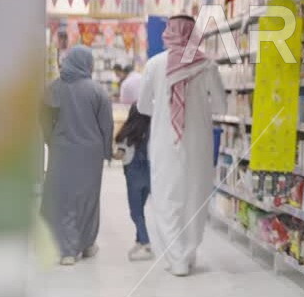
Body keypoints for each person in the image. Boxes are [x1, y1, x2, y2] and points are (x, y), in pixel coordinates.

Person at [137, 16, 226, 276]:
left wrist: (166, 109)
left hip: (165, 142)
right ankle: (188, 254)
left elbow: (143, 106)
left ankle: (176, 258)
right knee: (195, 196)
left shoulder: (154, 65)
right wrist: (198, 106)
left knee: (166, 198)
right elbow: (221, 106)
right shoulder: (207, 65)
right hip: (198, 142)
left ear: (168, 33)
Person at [41, 45, 113, 266]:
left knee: (61, 198)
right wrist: (107, 151)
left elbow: (44, 119)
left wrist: (50, 140)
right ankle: (86, 244)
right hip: (90, 156)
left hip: (61, 151)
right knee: (87, 199)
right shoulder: (97, 91)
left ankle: (65, 249)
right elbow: (106, 125)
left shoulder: (53, 89)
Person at [113, 102, 153, 261]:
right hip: (150, 174)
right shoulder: (153, 131)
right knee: (140, 209)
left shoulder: (127, 132)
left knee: (135, 211)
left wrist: (108, 154)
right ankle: (139, 240)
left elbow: (120, 154)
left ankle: (145, 242)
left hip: (133, 174)